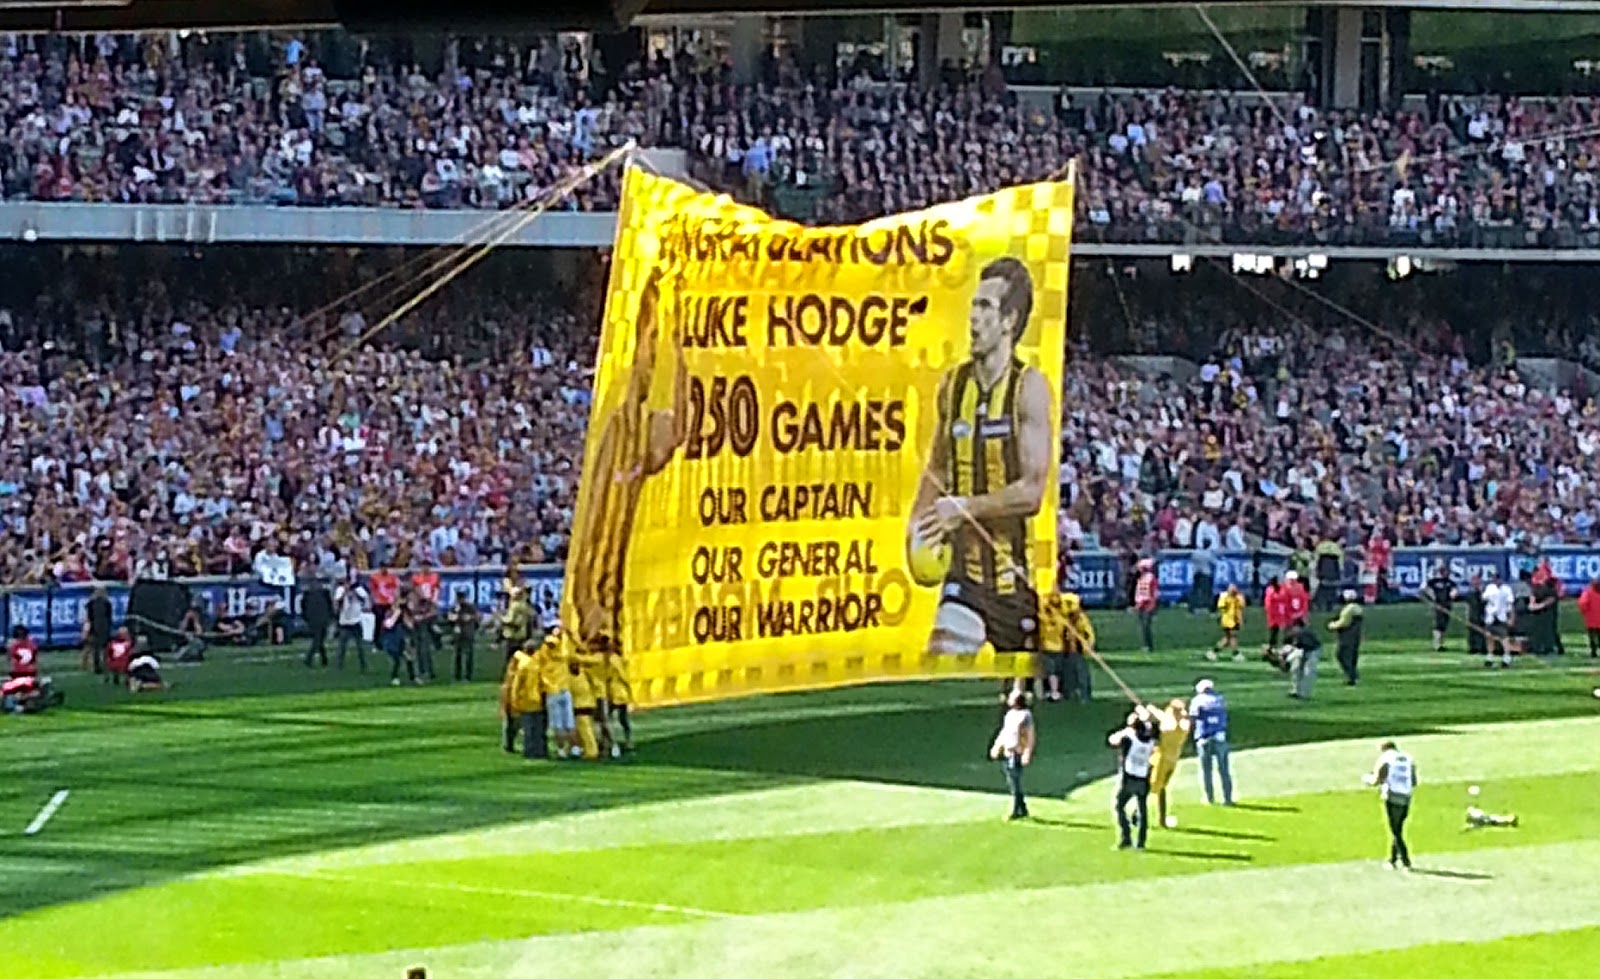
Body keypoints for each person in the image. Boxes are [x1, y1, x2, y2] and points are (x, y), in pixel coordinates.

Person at [910, 257, 1053, 655]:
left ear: (1009, 320)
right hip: (964, 578)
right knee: (943, 658)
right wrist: (916, 525)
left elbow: (1032, 493)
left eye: (985, 307)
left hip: (1012, 582)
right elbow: (937, 465)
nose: (972, 317)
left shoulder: (1029, 388)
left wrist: (966, 507)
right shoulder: (953, 386)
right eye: (973, 305)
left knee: (1022, 695)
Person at [568, 269, 689, 653]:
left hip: (622, 555)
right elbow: (640, 368)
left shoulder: (644, 439)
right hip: (602, 551)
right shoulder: (621, 427)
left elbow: (679, 427)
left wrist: (683, 351)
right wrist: (652, 299)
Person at [1107, 706, 1157, 849]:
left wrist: (1126, 729)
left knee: (1119, 806)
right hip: (1144, 777)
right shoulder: (1150, 739)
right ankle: (1141, 842)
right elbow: (1152, 727)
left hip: (1129, 777)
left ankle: (1126, 837)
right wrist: (1145, 716)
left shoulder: (1129, 738)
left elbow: (1112, 740)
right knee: (1142, 808)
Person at [1363, 740, 1417, 870]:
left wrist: (1366, 779)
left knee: (1395, 830)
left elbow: (1377, 780)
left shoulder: (1384, 759)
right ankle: (1392, 860)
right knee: (1398, 828)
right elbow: (1414, 781)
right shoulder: (1408, 759)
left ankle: (1406, 860)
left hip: (1392, 796)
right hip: (1406, 797)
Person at [989, 690, 1035, 820]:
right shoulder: (1009, 715)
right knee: (1012, 781)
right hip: (1008, 750)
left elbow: (1030, 735)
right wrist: (997, 746)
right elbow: (1004, 731)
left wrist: (1027, 752)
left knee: (1015, 781)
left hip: (1017, 752)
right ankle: (1022, 807)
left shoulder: (1025, 715)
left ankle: (1016, 809)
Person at [1190, 678, 1234, 806]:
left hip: (1204, 737)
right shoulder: (1220, 699)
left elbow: (1193, 717)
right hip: (1220, 737)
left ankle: (1209, 798)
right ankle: (1227, 798)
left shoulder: (1197, 701)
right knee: (1224, 769)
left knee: (1206, 770)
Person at [1149, 698, 1191, 829]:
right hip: (1172, 760)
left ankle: (1138, 815)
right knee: (1161, 789)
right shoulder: (1183, 724)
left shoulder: (1173, 727)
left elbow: (1166, 723)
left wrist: (1151, 712)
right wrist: (1153, 710)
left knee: (1152, 788)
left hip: (1162, 760)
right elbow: (1164, 717)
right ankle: (1162, 819)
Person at [499, 642, 544, 759]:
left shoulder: (523, 663)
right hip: (529, 699)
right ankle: (530, 749)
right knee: (526, 725)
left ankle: (528, 749)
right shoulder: (530, 663)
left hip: (525, 699)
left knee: (523, 725)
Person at [1036, 587, 1069, 702]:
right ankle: (1054, 691)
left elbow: (1040, 608)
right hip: (1058, 647)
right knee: (1055, 672)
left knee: (1050, 672)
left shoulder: (1043, 619)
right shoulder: (1061, 619)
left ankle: (1053, 692)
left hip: (1048, 647)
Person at [1062, 591, 1095, 701]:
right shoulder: (1062, 618)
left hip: (1078, 651)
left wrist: (1087, 647)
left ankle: (1085, 696)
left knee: (1082, 675)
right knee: (1067, 676)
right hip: (1064, 651)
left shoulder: (1081, 618)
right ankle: (1069, 696)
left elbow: (1089, 634)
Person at [334, 574, 371, 672]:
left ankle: (364, 665)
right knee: (342, 646)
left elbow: (365, 599)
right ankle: (339, 666)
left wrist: (354, 593)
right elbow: (337, 604)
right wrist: (345, 593)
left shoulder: (359, 590)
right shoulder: (340, 590)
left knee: (360, 646)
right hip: (344, 622)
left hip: (356, 621)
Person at [1328, 588, 1364, 685]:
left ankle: (1350, 677)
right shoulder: (1358, 608)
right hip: (1356, 635)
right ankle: (1354, 675)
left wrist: (1332, 625)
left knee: (1341, 655)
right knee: (1352, 656)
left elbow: (1344, 623)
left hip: (1346, 635)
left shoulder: (1348, 609)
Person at [1483, 571, 1515, 668]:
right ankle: (1489, 657)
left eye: (1497, 579)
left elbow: (1510, 604)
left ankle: (1506, 658)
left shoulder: (1506, 589)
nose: (1495, 581)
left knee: (1504, 638)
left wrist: (1511, 618)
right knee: (1489, 637)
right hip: (1491, 616)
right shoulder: (1489, 588)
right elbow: (1484, 598)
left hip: (1501, 616)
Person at [1284, 621, 1323, 700]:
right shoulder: (1292, 634)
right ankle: (1295, 690)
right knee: (1295, 668)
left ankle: (1304, 694)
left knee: (1308, 671)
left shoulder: (1305, 634)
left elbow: (1307, 648)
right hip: (1301, 650)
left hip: (1313, 650)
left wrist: (1301, 661)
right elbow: (1287, 645)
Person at [301, 576, 334, 668]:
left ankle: (324, 659)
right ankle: (309, 659)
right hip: (315, 619)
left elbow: (330, 605)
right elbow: (303, 608)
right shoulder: (307, 595)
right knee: (318, 639)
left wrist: (331, 616)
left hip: (322, 618)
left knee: (320, 639)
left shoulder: (324, 593)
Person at [448, 594, 481, 681]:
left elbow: (477, 617)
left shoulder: (470, 607)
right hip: (458, 633)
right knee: (458, 655)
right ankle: (457, 675)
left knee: (468, 655)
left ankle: (468, 675)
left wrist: (470, 618)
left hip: (468, 632)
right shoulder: (454, 608)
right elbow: (450, 619)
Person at [1210, 582, 1245, 662]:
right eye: (1232, 588)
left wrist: (1240, 620)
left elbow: (1241, 606)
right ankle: (1235, 654)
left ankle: (1213, 652)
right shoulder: (1224, 597)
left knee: (1228, 639)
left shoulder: (1238, 597)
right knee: (1233, 636)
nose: (1234, 589)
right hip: (1227, 620)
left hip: (1235, 620)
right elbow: (1221, 607)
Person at [83, 585, 113, 676]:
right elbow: (109, 616)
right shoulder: (107, 603)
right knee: (103, 648)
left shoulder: (91, 603)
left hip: (95, 626)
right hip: (104, 626)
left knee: (95, 648)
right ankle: (105, 665)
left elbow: (89, 616)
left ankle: (97, 666)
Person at [1424, 567, 1456, 651]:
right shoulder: (1434, 581)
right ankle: (1436, 644)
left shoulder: (1450, 582)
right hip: (1437, 605)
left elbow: (1454, 590)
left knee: (1444, 625)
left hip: (1447, 605)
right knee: (1438, 624)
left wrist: (1453, 594)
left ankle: (1441, 644)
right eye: (1445, 572)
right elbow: (1426, 588)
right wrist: (1432, 596)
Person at [1132, 558, 1158, 652]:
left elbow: (1147, 594)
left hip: (1147, 605)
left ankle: (1148, 645)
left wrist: (1139, 605)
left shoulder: (1148, 578)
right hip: (1144, 605)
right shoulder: (1143, 577)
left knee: (1145, 626)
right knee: (1144, 626)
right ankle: (1146, 644)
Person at [1463, 573, 1488, 659]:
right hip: (1472, 615)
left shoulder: (1484, 593)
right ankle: (1473, 648)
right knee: (1472, 632)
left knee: (1482, 632)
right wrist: (1466, 617)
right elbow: (1467, 606)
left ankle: (1482, 648)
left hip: (1481, 614)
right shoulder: (1469, 594)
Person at [1261, 575, 1286, 660]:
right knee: (1273, 634)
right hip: (1273, 616)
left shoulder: (1282, 589)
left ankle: (1275, 650)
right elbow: (1268, 604)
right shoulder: (1270, 591)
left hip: (1281, 615)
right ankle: (1269, 651)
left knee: (1281, 634)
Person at [1578, 578, 1600, 659]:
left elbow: (1583, 603)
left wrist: (1584, 611)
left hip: (1591, 619)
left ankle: (1593, 651)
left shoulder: (1588, 592)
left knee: (1592, 636)